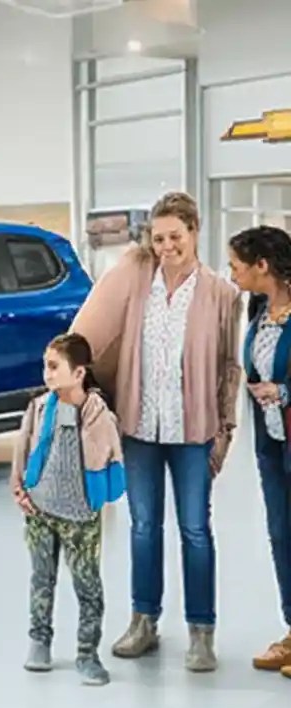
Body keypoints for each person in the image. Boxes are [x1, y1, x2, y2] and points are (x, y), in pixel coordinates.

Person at [70, 190, 243, 672]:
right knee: (144, 527)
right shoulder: (137, 281)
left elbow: (229, 368)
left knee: (195, 530)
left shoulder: (222, 294)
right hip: (140, 426)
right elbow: (97, 329)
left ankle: (201, 632)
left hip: (194, 431)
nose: (167, 247)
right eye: (159, 238)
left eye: (175, 237)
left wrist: (225, 429)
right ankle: (143, 621)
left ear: (195, 232)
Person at [10, 333, 125, 686]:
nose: (47, 373)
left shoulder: (97, 414)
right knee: (41, 578)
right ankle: (39, 640)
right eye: (45, 366)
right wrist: (19, 487)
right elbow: (23, 448)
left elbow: (108, 454)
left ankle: (88, 654)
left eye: (54, 366)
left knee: (87, 585)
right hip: (40, 510)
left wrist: (85, 413)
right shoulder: (38, 408)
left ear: (78, 373)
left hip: (80, 516)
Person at [227, 225, 291, 679]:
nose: (232, 274)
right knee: (281, 533)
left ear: (262, 265)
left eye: (237, 266)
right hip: (272, 442)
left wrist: (283, 392)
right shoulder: (259, 309)